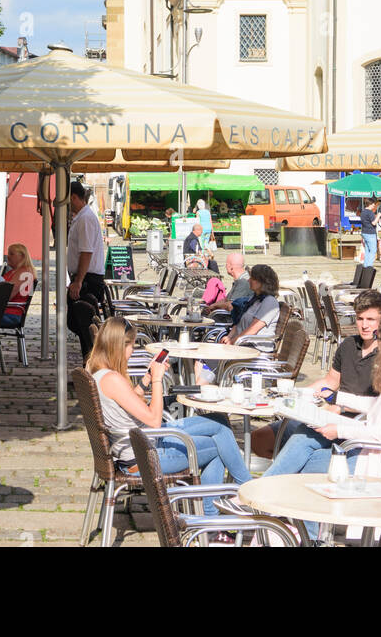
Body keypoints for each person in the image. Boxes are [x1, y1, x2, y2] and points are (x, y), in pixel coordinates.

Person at [266, 315, 381, 540]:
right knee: (305, 436)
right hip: (378, 451)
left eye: (379, 338)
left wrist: (339, 430)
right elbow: (380, 406)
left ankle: (303, 532)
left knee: (308, 467)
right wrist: (338, 398)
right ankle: (275, 508)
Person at [90, 317, 251, 524]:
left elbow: (129, 402)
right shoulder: (113, 379)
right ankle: (233, 502)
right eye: (131, 346)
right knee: (220, 445)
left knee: (219, 421)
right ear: (118, 346)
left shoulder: (98, 373)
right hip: (145, 455)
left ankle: (222, 508)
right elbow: (154, 420)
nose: (131, 352)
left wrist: (146, 380)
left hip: (140, 443)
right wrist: (157, 379)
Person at [252, 289, 381, 464]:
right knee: (259, 438)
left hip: (356, 425)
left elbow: (380, 406)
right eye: (360, 318)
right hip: (326, 414)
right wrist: (295, 396)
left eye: (371, 320)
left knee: (299, 442)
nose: (364, 325)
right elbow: (330, 382)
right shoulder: (348, 345)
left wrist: (342, 407)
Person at [67, 181, 106, 358]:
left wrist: (78, 281)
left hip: (88, 279)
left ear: (74, 197)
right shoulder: (82, 217)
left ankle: (91, 366)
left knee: (86, 325)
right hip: (85, 277)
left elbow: (86, 252)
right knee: (79, 324)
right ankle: (88, 363)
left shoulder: (85, 219)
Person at [221, 264, 280, 345]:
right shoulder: (254, 299)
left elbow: (253, 329)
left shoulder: (270, 302)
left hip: (255, 349)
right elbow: (239, 323)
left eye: (252, 278)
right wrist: (229, 337)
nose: (248, 280)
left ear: (262, 281)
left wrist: (232, 342)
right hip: (242, 344)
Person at [2, 242, 38, 327]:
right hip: (8, 311)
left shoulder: (23, 273)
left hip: (11, 313)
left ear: (22, 256)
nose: (8, 256)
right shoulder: (16, 271)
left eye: (11, 254)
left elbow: (7, 295)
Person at [359, 198, 381, 267]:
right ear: (370, 204)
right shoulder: (370, 212)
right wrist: (378, 215)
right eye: (373, 204)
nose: (374, 206)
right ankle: (369, 266)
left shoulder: (363, 212)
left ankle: (366, 265)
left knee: (367, 250)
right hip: (370, 233)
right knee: (373, 250)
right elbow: (374, 223)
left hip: (364, 232)